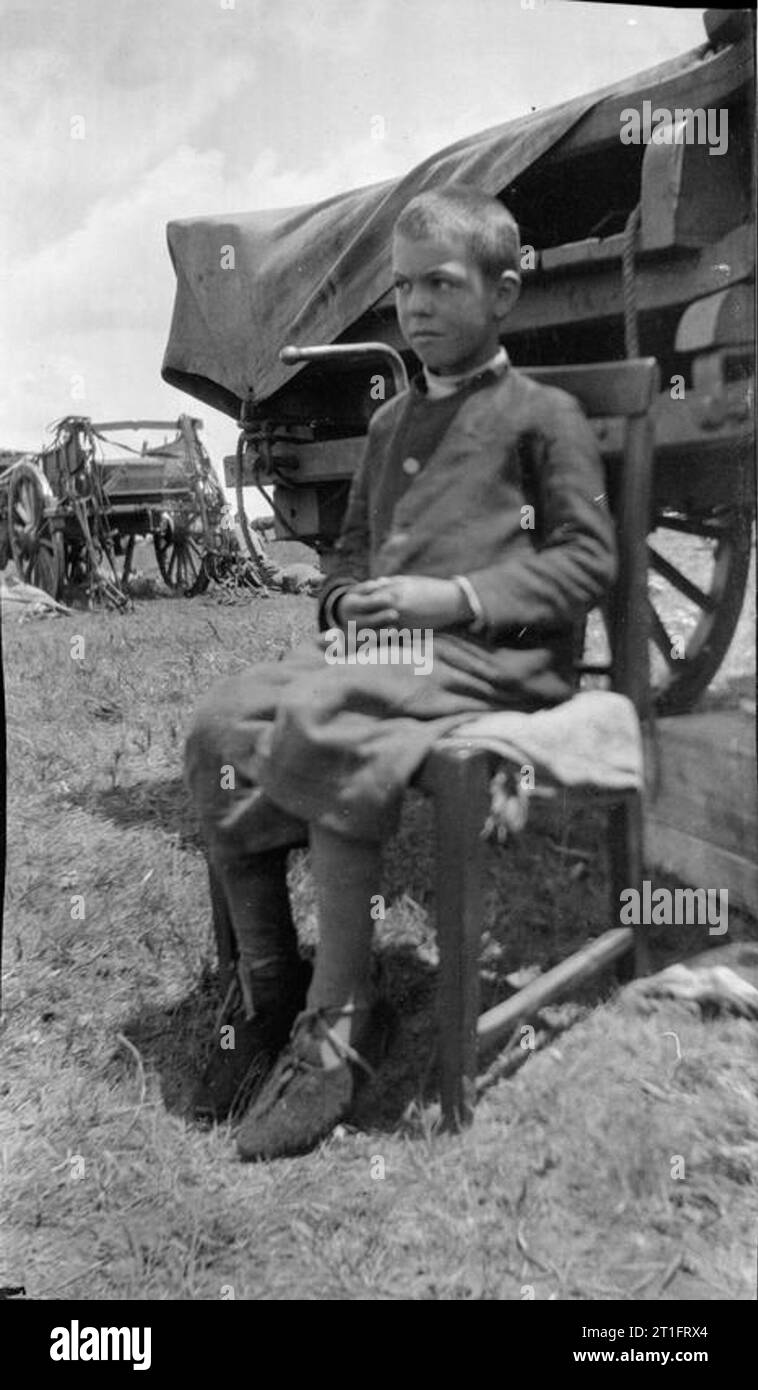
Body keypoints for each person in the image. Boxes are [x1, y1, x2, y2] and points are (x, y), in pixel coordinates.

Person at [185, 185, 617, 1161]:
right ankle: (272, 987)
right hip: (389, 655)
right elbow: (343, 555)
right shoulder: (387, 428)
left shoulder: (543, 414)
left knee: (341, 713)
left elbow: (588, 562)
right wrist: (347, 604)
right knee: (220, 723)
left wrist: (450, 598)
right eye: (400, 289)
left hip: (492, 661)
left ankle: (342, 1021)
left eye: (439, 284)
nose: (414, 306)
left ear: (502, 293)